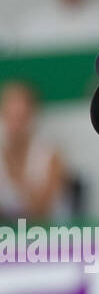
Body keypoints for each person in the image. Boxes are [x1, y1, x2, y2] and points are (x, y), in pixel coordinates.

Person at [0, 81, 68, 222]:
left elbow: (42, 211)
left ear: (32, 116)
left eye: (20, 117)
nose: (15, 126)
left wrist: (16, 171)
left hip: (50, 235)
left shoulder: (51, 155)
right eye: (10, 116)